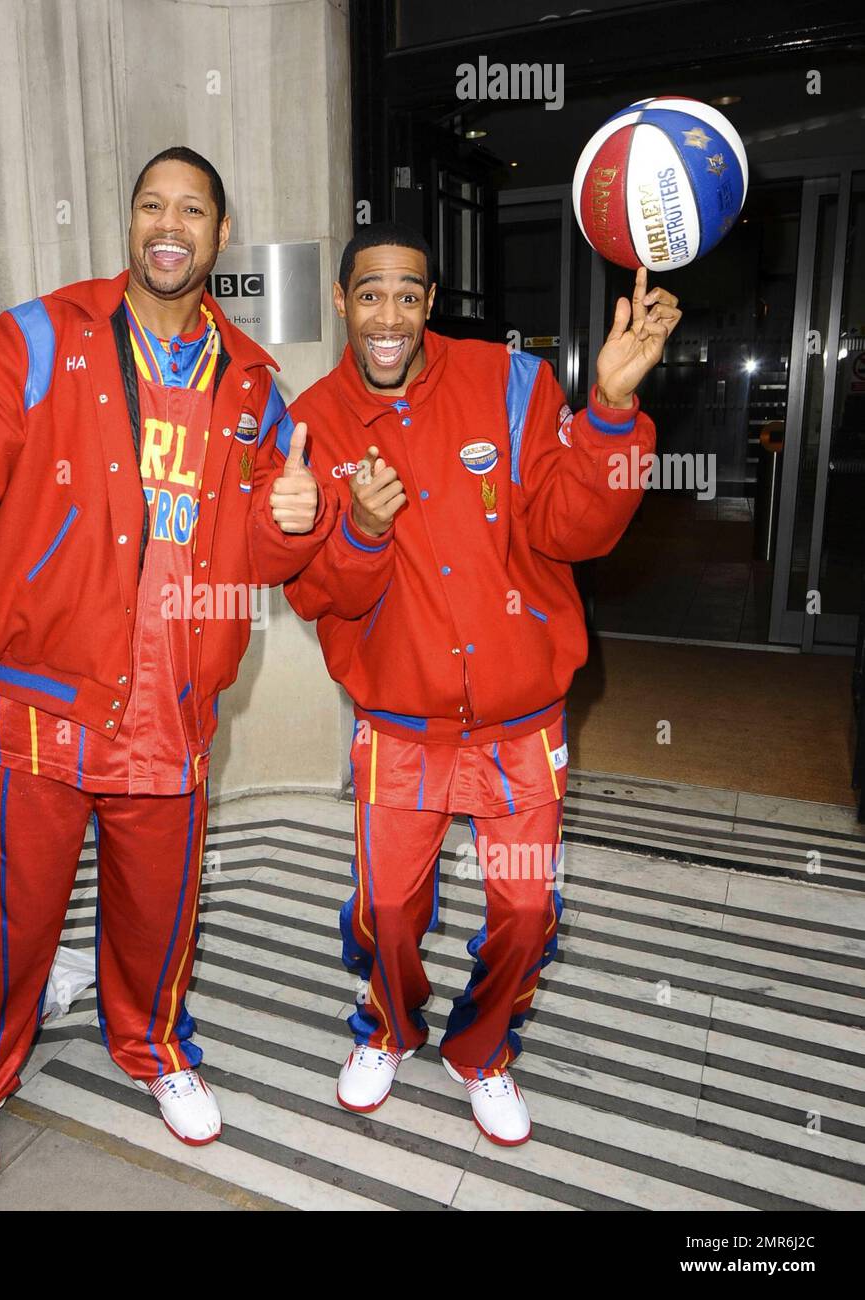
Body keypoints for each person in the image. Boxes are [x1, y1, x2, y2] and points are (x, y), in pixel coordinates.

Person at [0, 146, 333, 1200]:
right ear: (128, 223)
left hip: (170, 708)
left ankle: (156, 1048)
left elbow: (258, 551)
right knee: (10, 917)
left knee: (157, 917)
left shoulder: (255, 385)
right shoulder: (45, 338)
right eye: (149, 206)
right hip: (43, 705)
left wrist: (291, 519)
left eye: (191, 211)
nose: (167, 225)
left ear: (218, 237)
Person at [283, 221, 681, 1144]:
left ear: (431, 304)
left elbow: (572, 527)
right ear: (341, 301)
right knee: (386, 908)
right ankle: (387, 1028)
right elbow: (312, 591)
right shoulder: (311, 423)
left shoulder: (513, 383)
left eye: (409, 295)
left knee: (527, 906)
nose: (390, 316)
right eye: (370, 294)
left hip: (519, 720)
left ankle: (483, 1051)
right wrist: (362, 535)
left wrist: (612, 413)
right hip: (400, 724)